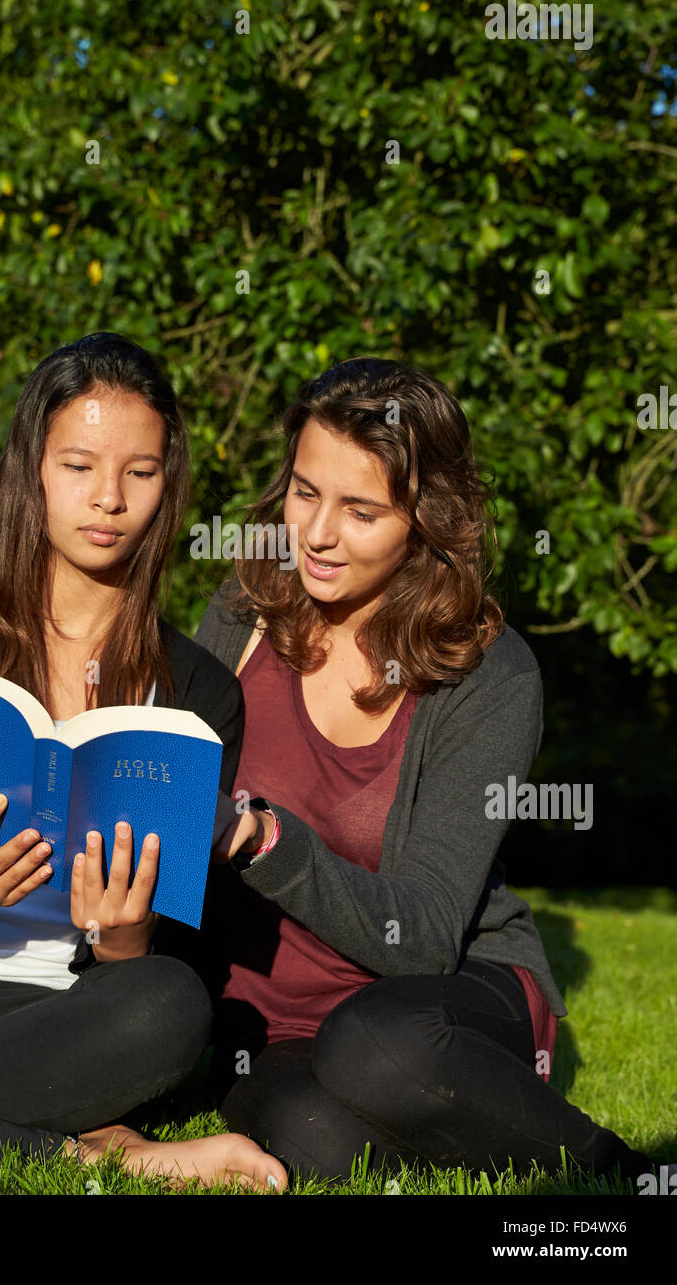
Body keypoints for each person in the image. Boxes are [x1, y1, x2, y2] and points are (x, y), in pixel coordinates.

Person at [0, 332, 285, 1193]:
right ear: (31, 469)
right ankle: (84, 1153)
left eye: (140, 474)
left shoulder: (199, 693)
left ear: (167, 487)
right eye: (79, 466)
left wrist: (125, 939)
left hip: (49, 1015)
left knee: (171, 1007)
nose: (109, 499)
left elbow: (174, 938)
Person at [197, 356, 667, 1191]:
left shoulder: (492, 676)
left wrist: (262, 838)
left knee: (379, 1048)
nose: (318, 533)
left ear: (426, 518)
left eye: (362, 510)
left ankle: (620, 1173)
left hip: (432, 997)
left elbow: (419, 937)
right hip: (274, 1020)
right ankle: (440, 1118)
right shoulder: (239, 617)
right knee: (318, 1142)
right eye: (305, 493)